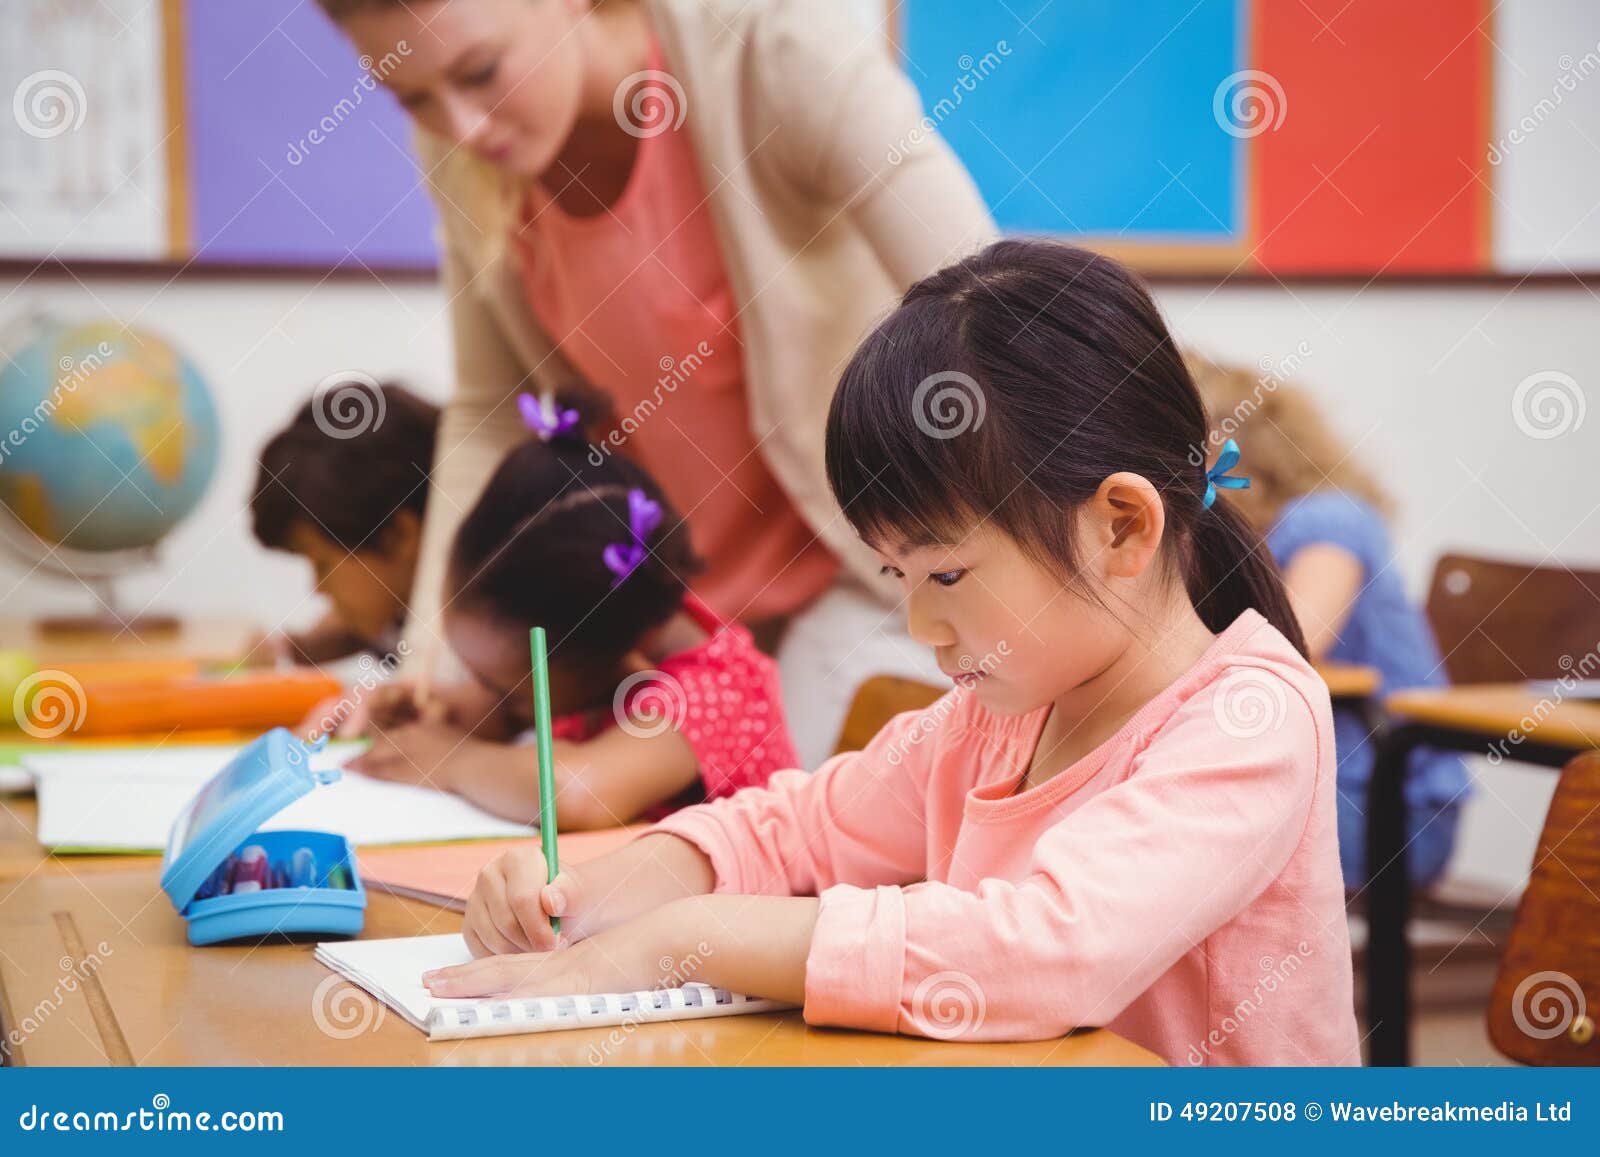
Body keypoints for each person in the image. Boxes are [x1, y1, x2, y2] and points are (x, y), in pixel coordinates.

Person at [420, 241, 1360, 1066]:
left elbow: (1049, 951)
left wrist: (688, 937)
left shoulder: (1249, 723)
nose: (921, 624)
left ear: (1121, 525)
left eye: (945, 573)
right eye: (895, 574)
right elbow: (794, 830)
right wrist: (590, 895)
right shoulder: (992, 718)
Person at [316, 0, 997, 763]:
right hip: (677, 612)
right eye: (412, 98)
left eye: (481, 72)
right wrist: (428, 663)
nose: (463, 127)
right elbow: (492, 410)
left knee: (778, 805)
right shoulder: (464, 148)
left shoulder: (771, 48)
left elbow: (989, 310)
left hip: (861, 581)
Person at [348, 414, 800, 827]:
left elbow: (577, 793)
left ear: (604, 660)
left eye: (507, 694)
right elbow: (508, 715)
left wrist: (452, 760)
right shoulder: (597, 657)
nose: (493, 702)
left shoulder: (717, 694)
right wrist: (437, 713)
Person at [1188, 355, 1469, 888]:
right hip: (1313, 788)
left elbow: (1295, 641)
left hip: (1387, 808)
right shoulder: (1258, 534)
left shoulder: (1330, 517)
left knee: (1161, 834)